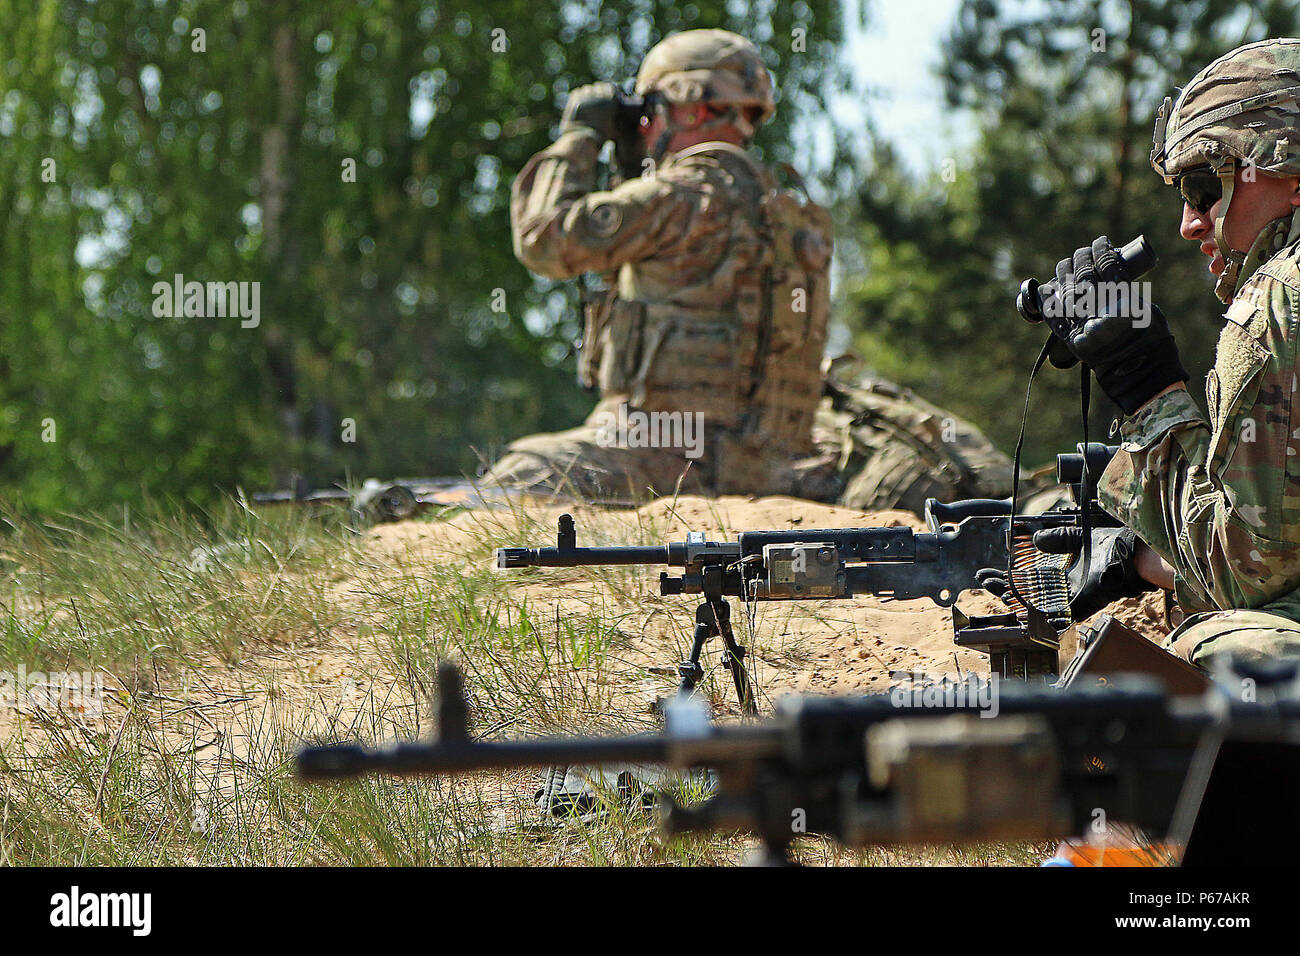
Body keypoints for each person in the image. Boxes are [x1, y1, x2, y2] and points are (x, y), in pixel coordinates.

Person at [482, 29, 1014, 512]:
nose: (644, 129)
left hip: (669, 448)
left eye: (651, 111)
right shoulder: (782, 211)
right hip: (767, 462)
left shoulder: (686, 193)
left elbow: (544, 240)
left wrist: (579, 136)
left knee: (518, 476)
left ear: (688, 110)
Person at [1026, 37, 1300, 669]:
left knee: (1226, 651)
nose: (1190, 223)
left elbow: (1250, 575)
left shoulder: (1279, 298)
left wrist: (1149, 393)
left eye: (1204, 187)